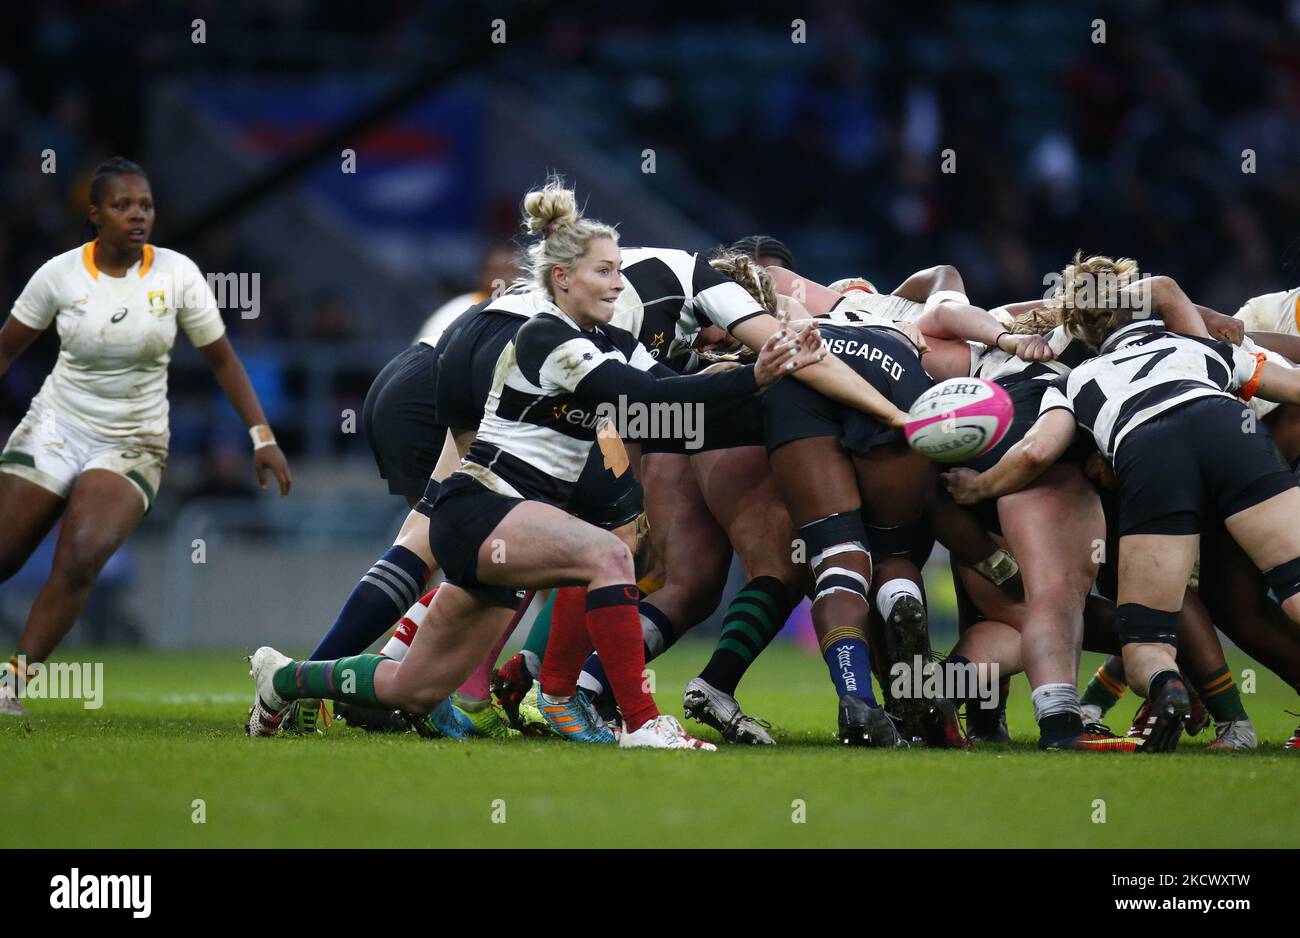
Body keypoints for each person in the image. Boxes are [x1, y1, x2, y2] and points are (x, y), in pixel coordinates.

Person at [247, 181, 825, 750]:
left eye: (619, 271)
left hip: (499, 521)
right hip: (482, 509)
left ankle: (284, 679)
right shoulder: (548, 336)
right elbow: (649, 402)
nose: (620, 283)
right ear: (561, 278)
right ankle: (632, 717)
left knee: (410, 686)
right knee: (609, 550)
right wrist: (754, 376)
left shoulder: (610, 343)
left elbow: (671, 392)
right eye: (604, 271)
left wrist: (744, 382)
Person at [945, 271, 1300, 753]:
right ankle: (1217, 717)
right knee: (1291, 584)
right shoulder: (1198, 346)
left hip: (1147, 457)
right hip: (1230, 434)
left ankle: (1158, 690)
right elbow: (1290, 383)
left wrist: (979, 485)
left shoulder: (1075, 379)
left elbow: (1035, 452)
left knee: (1140, 636)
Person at [0, 157, 291, 715]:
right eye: (122, 205)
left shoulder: (177, 275)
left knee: (82, 557)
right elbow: (7, 347)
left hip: (134, 438)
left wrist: (261, 435)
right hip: (56, 426)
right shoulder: (59, 275)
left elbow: (223, 360)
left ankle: (11, 683)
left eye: (146, 205)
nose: (137, 215)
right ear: (95, 214)